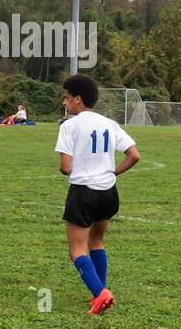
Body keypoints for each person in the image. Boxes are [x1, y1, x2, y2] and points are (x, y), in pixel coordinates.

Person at [55, 74, 140, 315]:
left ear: (78, 99)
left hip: (84, 192)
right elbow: (134, 155)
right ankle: (99, 292)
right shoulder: (109, 124)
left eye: (66, 98)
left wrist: (73, 169)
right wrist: (113, 172)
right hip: (108, 191)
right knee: (97, 241)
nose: (64, 102)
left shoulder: (69, 126)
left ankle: (101, 294)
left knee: (77, 249)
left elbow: (65, 167)